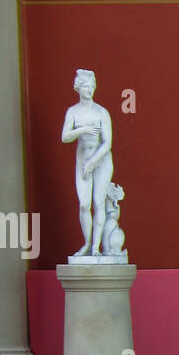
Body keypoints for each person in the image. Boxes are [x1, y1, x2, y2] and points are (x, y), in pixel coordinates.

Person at [62, 70, 114, 258]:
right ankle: (87, 243)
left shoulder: (101, 112)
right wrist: (82, 129)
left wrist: (93, 162)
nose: (89, 90)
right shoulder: (73, 112)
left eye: (91, 87)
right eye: (85, 87)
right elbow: (65, 137)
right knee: (84, 205)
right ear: (78, 88)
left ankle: (95, 247)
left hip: (101, 161)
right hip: (83, 160)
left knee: (98, 202)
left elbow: (107, 143)